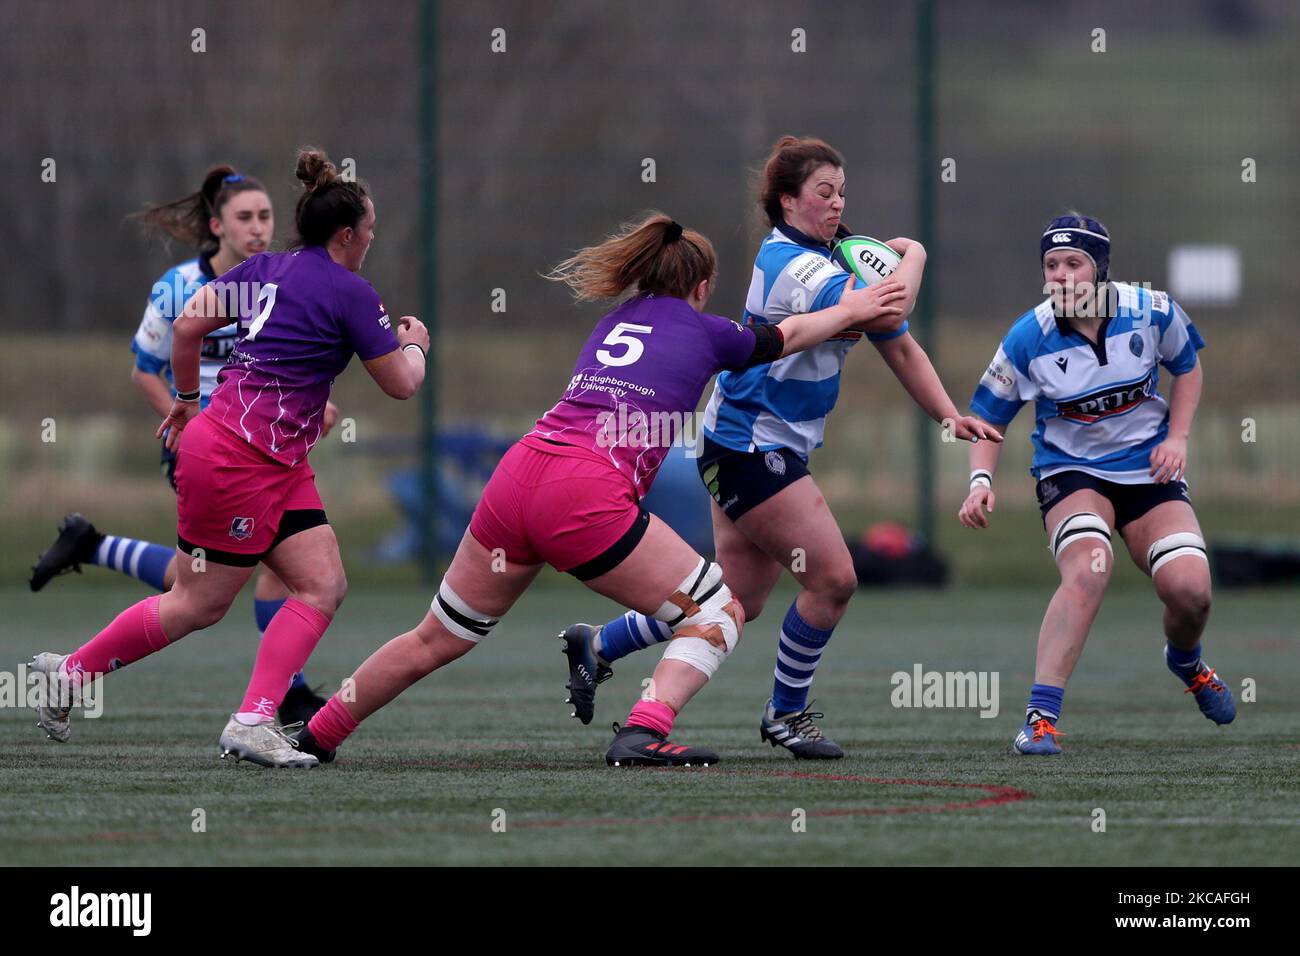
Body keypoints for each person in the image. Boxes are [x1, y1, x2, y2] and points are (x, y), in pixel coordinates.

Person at [290, 212, 908, 768]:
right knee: (718, 610)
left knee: (435, 637)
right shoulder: (707, 330)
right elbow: (790, 336)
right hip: (583, 492)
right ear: (700, 288)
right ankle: (644, 730)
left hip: (518, 476)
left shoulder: (616, 320)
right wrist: (854, 310)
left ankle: (317, 734)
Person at [558, 136, 1000, 758]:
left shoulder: (839, 258)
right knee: (834, 579)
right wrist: (917, 252)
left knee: (737, 599)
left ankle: (598, 645)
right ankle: (784, 715)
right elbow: (890, 305)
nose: (836, 203)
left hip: (749, 444)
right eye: (823, 193)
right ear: (787, 201)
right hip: (749, 446)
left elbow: (897, 342)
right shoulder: (795, 265)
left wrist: (949, 415)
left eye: (842, 192)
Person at [30, 148, 428, 768]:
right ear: (347, 234)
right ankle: (71, 675)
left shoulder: (267, 268)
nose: (373, 239)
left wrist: (188, 400)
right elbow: (402, 384)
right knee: (198, 603)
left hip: (271, 459)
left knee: (322, 584)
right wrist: (416, 345)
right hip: (238, 461)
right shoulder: (352, 292)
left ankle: (254, 717)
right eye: (371, 230)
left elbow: (187, 329)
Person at [27, 164, 335, 724]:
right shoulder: (180, 288)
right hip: (210, 452)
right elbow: (145, 370)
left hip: (268, 453)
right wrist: (189, 421)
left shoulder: (274, 284)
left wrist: (310, 407)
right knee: (206, 593)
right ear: (217, 226)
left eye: (266, 216)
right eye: (245, 217)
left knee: (249, 582)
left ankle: (275, 699)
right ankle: (277, 700)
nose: (258, 228)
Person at [959, 213, 1234, 755]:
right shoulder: (1028, 336)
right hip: (1071, 473)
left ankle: (1185, 660)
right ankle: (1040, 719)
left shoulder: (1151, 311)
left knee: (1190, 592)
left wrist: (1177, 437)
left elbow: (1188, 366)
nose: (1060, 276)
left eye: (1073, 264)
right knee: (1089, 570)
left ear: (1100, 270)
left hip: (1147, 471)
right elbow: (987, 417)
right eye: (1051, 265)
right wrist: (980, 480)